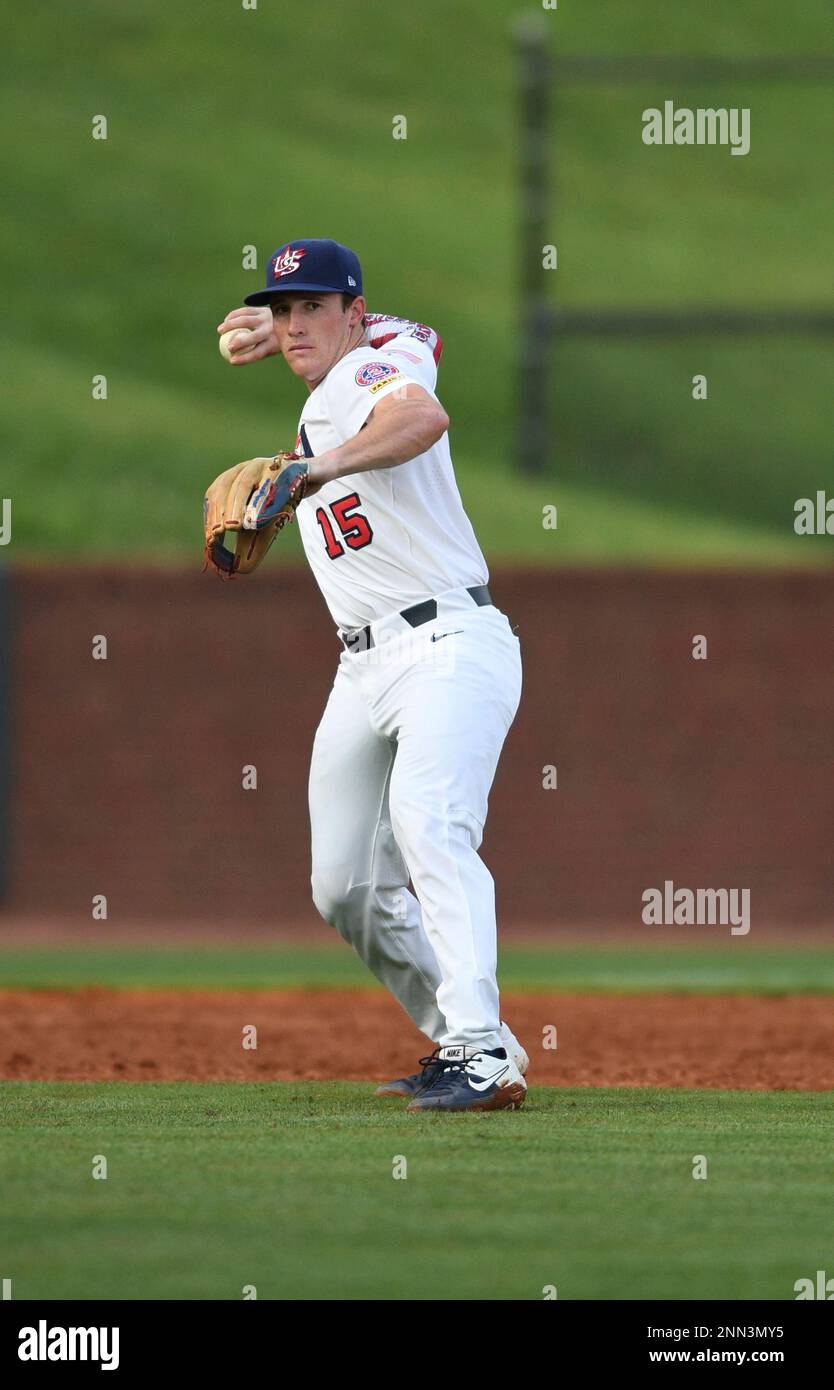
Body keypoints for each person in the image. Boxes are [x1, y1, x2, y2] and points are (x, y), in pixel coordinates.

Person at [217, 238, 528, 1112]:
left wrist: (317, 469)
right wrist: (273, 333)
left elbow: (422, 419)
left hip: (448, 646)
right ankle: (473, 1042)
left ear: (354, 314)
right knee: (343, 885)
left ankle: (479, 1050)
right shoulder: (374, 355)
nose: (294, 325)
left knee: (431, 824)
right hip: (362, 668)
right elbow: (416, 334)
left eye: (313, 307)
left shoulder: (365, 380)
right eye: (282, 310)